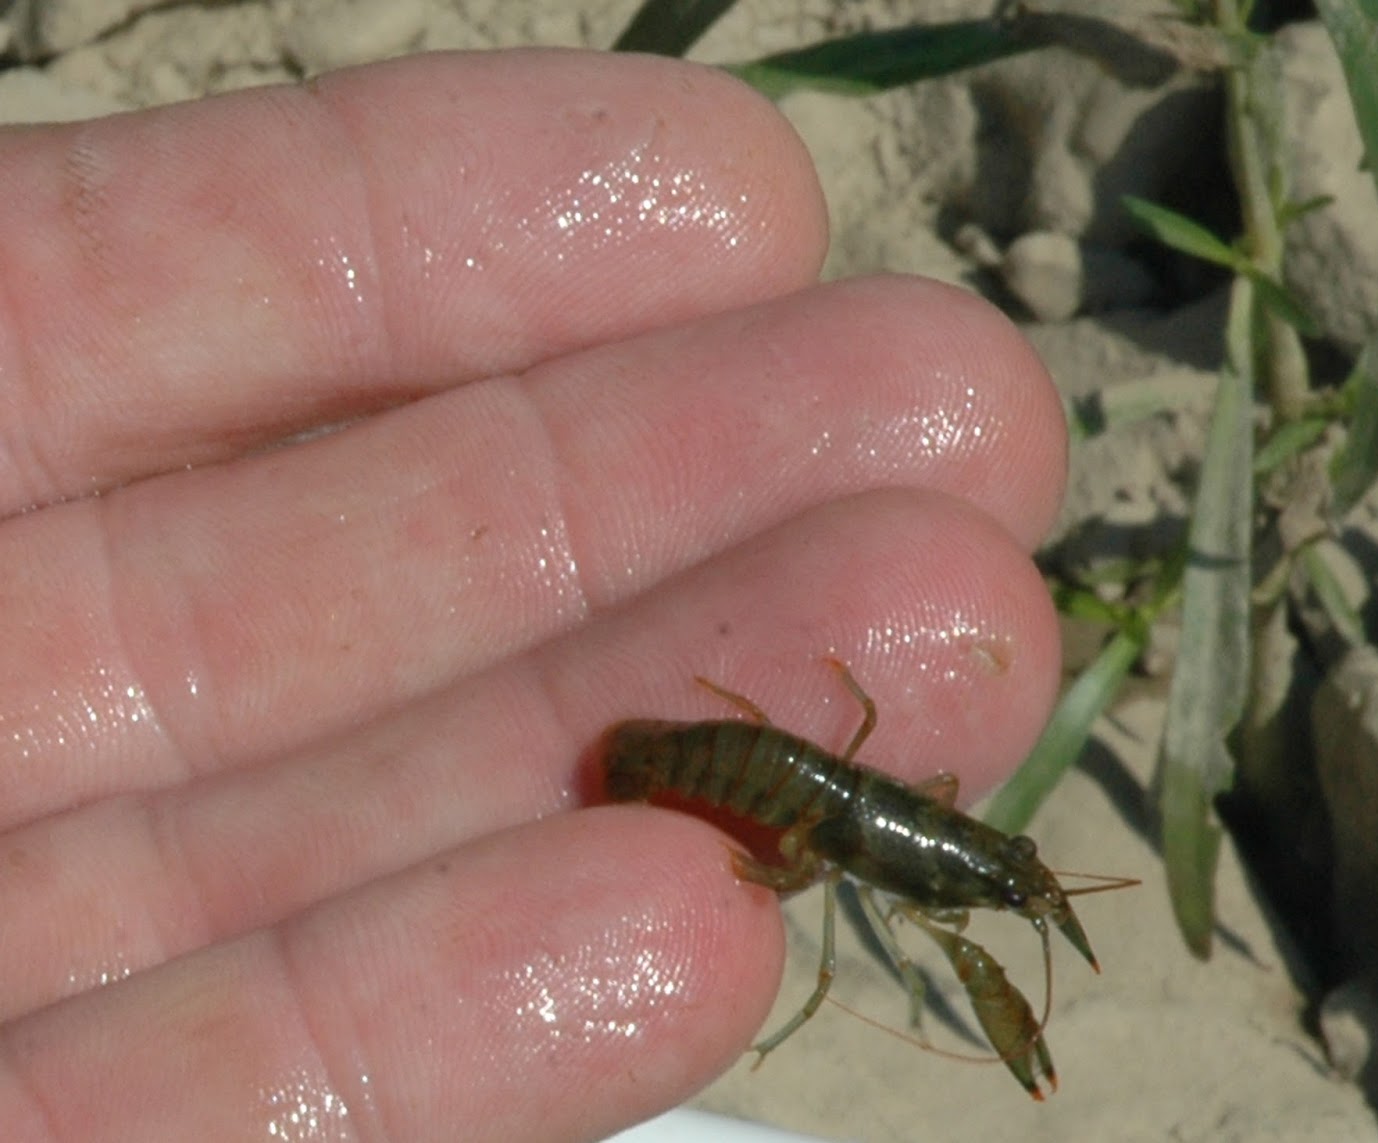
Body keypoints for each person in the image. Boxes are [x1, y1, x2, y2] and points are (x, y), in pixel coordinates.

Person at [0, 48, 1067, 1140]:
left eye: (1010, 866)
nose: (1016, 875)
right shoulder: (860, 835)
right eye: (1013, 866)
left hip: (806, 791)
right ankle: (666, 773)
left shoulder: (878, 809)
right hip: (784, 788)